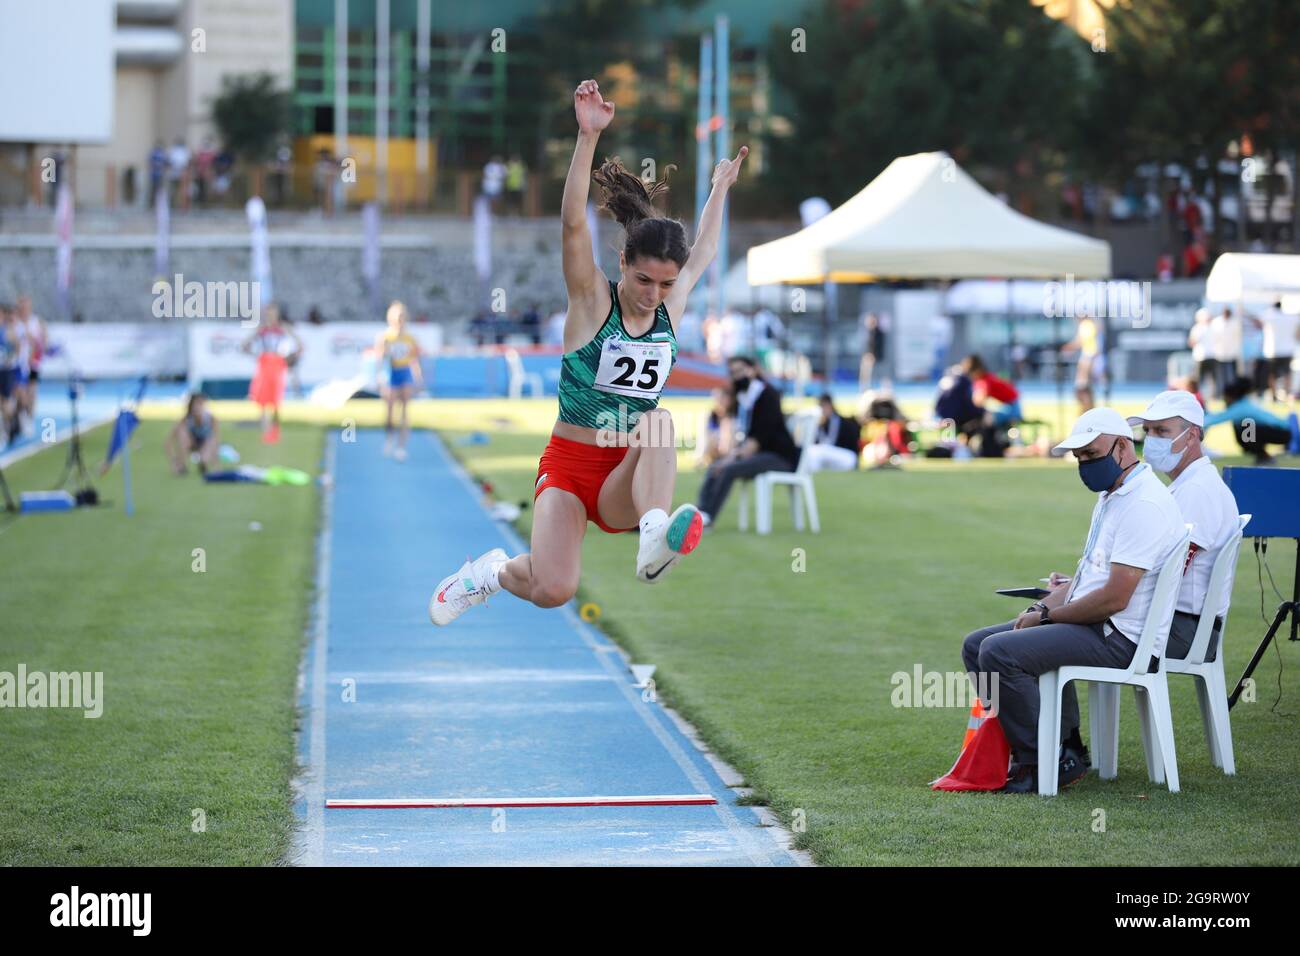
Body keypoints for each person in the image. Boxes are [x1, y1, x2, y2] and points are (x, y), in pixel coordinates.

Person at [428, 78, 747, 625]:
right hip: (572, 465)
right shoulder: (591, 300)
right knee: (553, 588)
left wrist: (720, 186)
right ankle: (486, 574)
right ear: (623, 263)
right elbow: (573, 221)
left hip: (626, 473)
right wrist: (586, 136)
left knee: (660, 421)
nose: (653, 295)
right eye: (644, 280)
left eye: (665, 286)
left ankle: (653, 536)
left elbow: (707, 250)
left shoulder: (672, 307)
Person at [961, 408, 1185, 793]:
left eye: (1091, 454)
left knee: (1000, 653)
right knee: (976, 645)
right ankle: (1067, 747)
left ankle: (1043, 760)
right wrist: (1041, 608)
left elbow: (1115, 598)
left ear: (1122, 447)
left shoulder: (1143, 503)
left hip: (1121, 637)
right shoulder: (1114, 493)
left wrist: (1048, 619)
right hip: (1103, 626)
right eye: (1078, 457)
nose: (1085, 464)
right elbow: (1085, 578)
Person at [1127, 391, 1239, 662]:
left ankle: (1010, 699)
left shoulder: (1197, 490)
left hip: (1181, 629)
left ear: (1191, 436)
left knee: (1038, 642)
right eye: (1148, 430)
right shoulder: (1190, 484)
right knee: (1030, 641)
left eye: (1162, 431)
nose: (1151, 439)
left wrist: (1102, 592)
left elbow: (1170, 571)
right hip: (1174, 623)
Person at [696, 355, 800, 526]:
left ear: (752, 370)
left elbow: (757, 440)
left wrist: (731, 458)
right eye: (733, 372)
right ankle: (699, 512)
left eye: (741, 370)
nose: (737, 376)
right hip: (757, 455)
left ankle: (707, 518)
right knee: (715, 467)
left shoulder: (767, 394)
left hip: (778, 456)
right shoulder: (742, 398)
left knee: (727, 469)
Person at [242, 304, 302, 444]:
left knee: (275, 400)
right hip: (264, 365)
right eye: (268, 313)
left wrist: (287, 358)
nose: (270, 316)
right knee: (262, 399)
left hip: (277, 366)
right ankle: (265, 430)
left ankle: (274, 430)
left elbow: (299, 345)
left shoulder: (283, 329)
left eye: (272, 313)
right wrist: (257, 354)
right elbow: (245, 346)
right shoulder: (262, 330)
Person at [1204, 377, 1299, 464]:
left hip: (1286, 433)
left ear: (1231, 396)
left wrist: (1195, 421)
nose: (1224, 400)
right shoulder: (1243, 404)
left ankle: (1264, 457)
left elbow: (1217, 419)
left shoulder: (1241, 408)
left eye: (1225, 397)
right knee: (1240, 426)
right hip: (1283, 431)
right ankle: (1263, 456)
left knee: (1244, 428)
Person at [376, 301, 424, 461]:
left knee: (404, 411)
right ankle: (389, 436)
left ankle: (401, 446)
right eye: (397, 318)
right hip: (391, 373)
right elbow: (380, 360)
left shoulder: (411, 338)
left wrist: (418, 378)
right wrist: (379, 378)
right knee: (389, 411)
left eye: (402, 318)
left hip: (405, 373)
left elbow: (414, 360)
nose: (400, 321)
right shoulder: (385, 337)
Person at [801, 392, 860, 472]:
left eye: (826, 406)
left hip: (839, 454)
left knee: (850, 460)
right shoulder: (815, 423)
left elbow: (851, 445)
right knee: (813, 453)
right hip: (820, 454)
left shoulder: (844, 423)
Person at [1254, 299, 1299, 402]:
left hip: (1273, 351)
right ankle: (1287, 394)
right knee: (1287, 374)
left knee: (1272, 374)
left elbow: (1257, 321)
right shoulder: (1290, 317)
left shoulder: (1270, 315)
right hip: (1288, 350)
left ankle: (1274, 395)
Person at [165, 393, 220, 475]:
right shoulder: (185, 419)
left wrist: (216, 464)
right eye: (196, 404)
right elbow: (168, 442)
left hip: (205, 443)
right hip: (191, 442)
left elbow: (215, 440)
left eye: (200, 404)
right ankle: (181, 464)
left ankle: (203, 463)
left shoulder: (210, 418)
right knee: (182, 432)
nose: (198, 408)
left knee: (209, 443)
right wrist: (174, 460)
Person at [1061, 313, 1104, 412]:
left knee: (1082, 388)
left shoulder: (1086, 325)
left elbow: (1081, 341)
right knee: (1085, 389)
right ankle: (1088, 410)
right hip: (1090, 358)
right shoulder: (1090, 325)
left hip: (1089, 358)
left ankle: (1086, 410)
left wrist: (1068, 348)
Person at [694, 386, 736, 470]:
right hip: (714, 447)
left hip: (730, 448)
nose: (720, 401)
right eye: (717, 398)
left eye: (722, 398)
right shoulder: (711, 415)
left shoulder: (734, 415)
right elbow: (705, 435)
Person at [1188, 308, 1217, 399]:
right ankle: (1210, 396)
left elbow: (1192, 342)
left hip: (1203, 356)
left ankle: (1200, 396)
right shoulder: (1212, 327)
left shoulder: (1198, 328)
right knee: (1210, 379)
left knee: (1201, 379)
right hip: (1207, 356)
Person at [859, 312, 886, 389]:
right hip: (869, 355)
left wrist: (873, 354)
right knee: (865, 374)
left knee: (879, 374)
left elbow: (877, 345)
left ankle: (882, 388)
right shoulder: (868, 332)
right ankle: (865, 388)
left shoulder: (878, 332)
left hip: (875, 356)